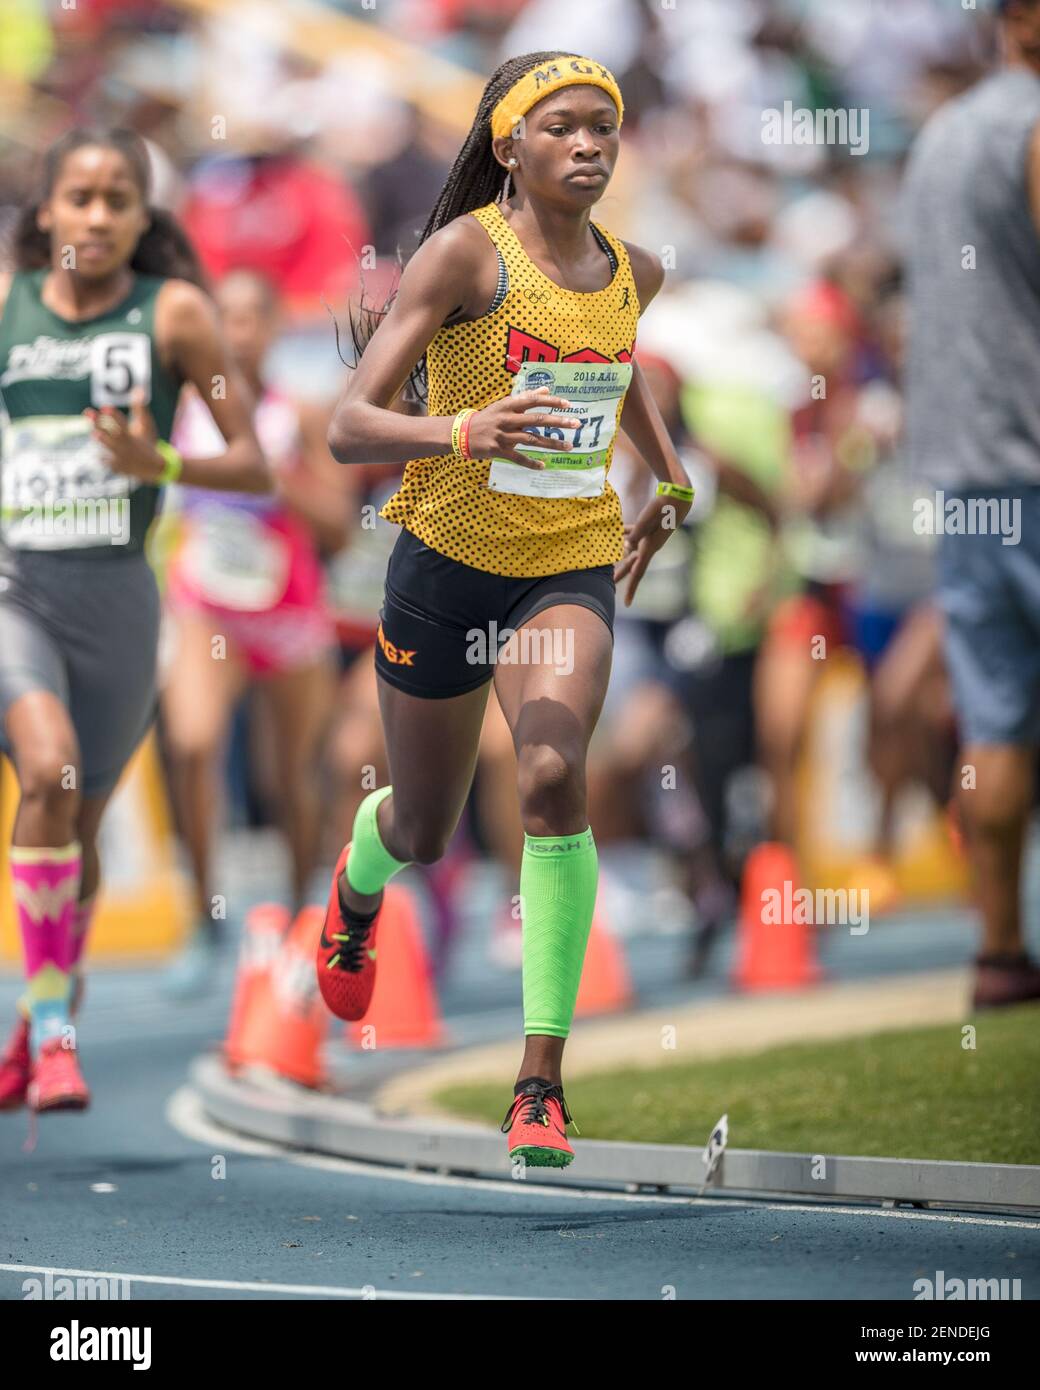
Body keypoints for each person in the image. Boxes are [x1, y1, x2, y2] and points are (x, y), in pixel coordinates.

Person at [314, 52, 694, 1168]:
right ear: (508, 147)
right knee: (424, 828)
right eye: (563, 128)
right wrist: (459, 430)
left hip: (565, 563)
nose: (589, 146)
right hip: (442, 563)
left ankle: (538, 1081)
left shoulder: (638, 269)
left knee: (545, 772)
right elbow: (347, 426)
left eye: (604, 129)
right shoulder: (462, 256)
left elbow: (617, 372)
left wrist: (664, 476)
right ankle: (356, 880)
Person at [0, 128, 267, 1112]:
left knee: (78, 819)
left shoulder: (178, 315)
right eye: (81, 197)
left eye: (121, 199)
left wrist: (157, 465)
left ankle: (40, 1019)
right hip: (15, 590)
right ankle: (61, 1038)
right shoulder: (8, 305)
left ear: (144, 218)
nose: (100, 216)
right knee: (44, 763)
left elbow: (255, 464)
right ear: (47, 214)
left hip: (116, 602)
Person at [903, 0, 1040, 1008]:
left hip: (961, 482)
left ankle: (997, 954)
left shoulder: (940, 133)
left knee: (992, 726)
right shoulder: (1029, 123)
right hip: (1033, 462)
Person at [158, 269, 346, 996]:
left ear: (271, 328)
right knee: (193, 743)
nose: (236, 334)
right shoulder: (178, 411)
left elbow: (336, 523)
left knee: (291, 778)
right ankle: (204, 920)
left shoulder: (292, 416)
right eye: (222, 319)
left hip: (290, 610)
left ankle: (303, 918)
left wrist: (277, 476)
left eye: (249, 318)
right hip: (208, 607)